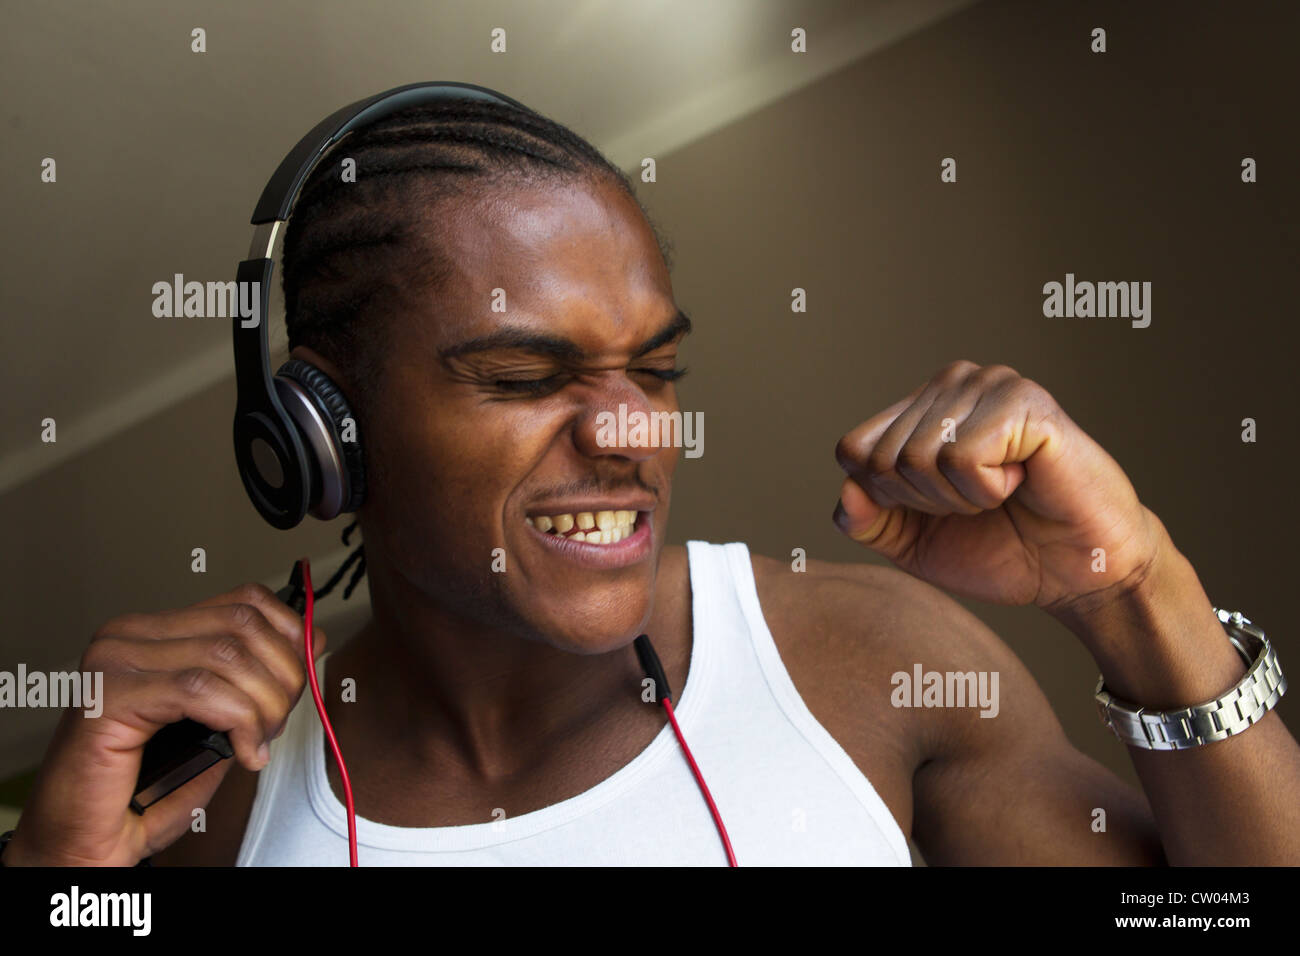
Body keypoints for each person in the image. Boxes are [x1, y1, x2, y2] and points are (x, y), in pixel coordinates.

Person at [5, 98, 1298, 866]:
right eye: (527, 376)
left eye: (657, 371)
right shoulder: (209, 794)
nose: (632, 433)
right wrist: (52, 873)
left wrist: (1137, 590)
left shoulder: (863, 660)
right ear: (323, 434)